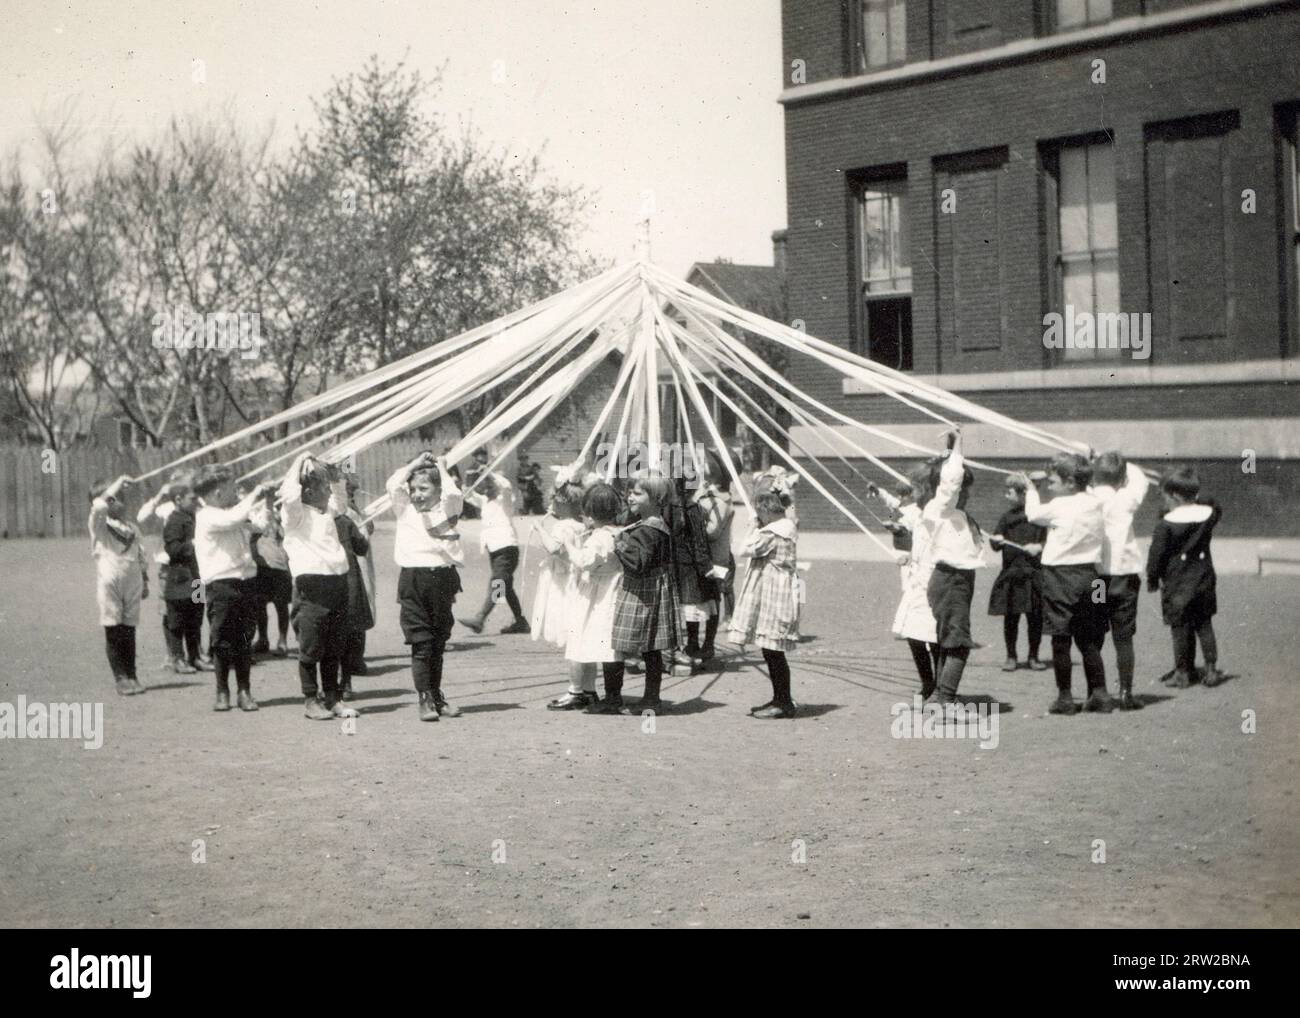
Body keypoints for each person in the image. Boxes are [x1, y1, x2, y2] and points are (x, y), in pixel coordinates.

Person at [1016, 454, 1112, 715]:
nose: (1049, 485)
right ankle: (1100, 693)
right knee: (1090, 638)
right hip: (1092, 577)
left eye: (1053, 480)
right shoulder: (1096, 503)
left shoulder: (1059, 504)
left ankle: (1065, 698)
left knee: (1061, 638)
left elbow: (1033, 514)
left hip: (1060, 578)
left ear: (1070, 482)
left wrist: (1030, 490)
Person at [279, 453, 357, 721]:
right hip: (312, 587)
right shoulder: (295, 516)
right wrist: (300, 460)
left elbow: (341, 500)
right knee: (311, 646)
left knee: (334, 645)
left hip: (337, 583)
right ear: (308, 492)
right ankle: (311, 699)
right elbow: (289, 494)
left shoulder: (327, 512)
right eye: (323, 487)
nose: (328, 492)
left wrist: (333, 475)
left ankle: (333, 698)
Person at [192, 466, 275, 712]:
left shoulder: (234, 512)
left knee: (244, 639)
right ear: (218, 493)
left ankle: (244, 690)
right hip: (221, 586)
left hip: (245, 582)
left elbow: (260, 525)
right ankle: (222, 691)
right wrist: (256, 492)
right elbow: (233, 519)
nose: (237, 492)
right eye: (232, 487)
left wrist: (267, 501)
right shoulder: (207, 515)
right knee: (221, 641)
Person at [388, 451, 464, 722]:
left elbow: (454, 494)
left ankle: (436, 694)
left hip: (442, 581)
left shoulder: (448, 512)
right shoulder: (405, 509)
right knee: (421, 643)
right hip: (414, 582)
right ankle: (424, 698)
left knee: (438, 642)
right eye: (414, 489)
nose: (417, 494)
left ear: (437, 489)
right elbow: (393, 484)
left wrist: (442, 467)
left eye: (424, 488)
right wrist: (416, 463)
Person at [604, 473, 679, 714]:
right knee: (651, 647)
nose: (629, 497)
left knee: (629, 644)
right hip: (653, 589)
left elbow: (638, 563)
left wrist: (618, 543)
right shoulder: (653, 523)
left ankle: (625, 698)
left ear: (656, 498)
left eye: (637, 493)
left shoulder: (648, 529)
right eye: (630, 492)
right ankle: (651, 698)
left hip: (643, 591)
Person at [922, 431, 985, 706]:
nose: (966, 494)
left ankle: (940, 693)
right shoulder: (940, 508)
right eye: (963, 489)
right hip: (950, 580)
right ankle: (946, 698)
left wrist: (950, 448)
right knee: (958, 642)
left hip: (957, 580)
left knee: (948, 638)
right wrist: (959, 445)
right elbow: (950, 481)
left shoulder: (952, 513)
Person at [1146, 467, 1222, 689]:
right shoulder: (1207, 516)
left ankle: (1182, 672)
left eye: (1165, 496)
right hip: (1204, 579)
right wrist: (1197, 494)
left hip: (1176, 582)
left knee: (1179, 628)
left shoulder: (1165, 524)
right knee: (1204, 625)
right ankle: (1210, 669)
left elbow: (1156, 555)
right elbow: (1216, 505)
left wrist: (1152, 579)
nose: (1164, 501)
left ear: (1175, 497)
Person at [728, 490, 800, 718]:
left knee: (773, 651)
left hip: (772, 594)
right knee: (771, 651)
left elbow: (743, 549)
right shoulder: (786, 527)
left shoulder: (771, 533)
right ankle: (779, 698)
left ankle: (783, 701)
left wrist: (752, 527)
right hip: (776, 591)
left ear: (766, 511)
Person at [872, 469, 941, 699]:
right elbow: (920, 544)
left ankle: (941, 687)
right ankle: (929, 683)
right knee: (914, 636)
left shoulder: (935, 513)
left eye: (917, 489)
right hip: (917, 579)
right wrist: (911, 556)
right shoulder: (920, 513)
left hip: (933, 582)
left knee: (932, 636)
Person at [1090, 451, 1151, 710]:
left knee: (1094, 633)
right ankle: (1126, 692)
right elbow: (1141, 478)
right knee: (1123, 637)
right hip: (1125, 577)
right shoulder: (1127, 498)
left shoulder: (1088, 498)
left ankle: (1098, 690)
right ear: (1122, 478)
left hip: (1097, 578)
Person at [561, 483, 626, 712]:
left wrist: (569, 545)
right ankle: (592, 690)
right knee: (603, 643)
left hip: (596, 595)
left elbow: (585, 561)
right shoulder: (616, 532)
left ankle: (582, 692)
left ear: (589, 513)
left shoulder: (598, 537)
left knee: (584, 639)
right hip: (610, 591)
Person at [534, 479, 596, 709]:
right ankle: (589, 689)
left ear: (561, 501)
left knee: (573, 639)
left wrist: (540, 528)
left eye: (553, 499)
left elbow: (554, 548)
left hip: (565, 585)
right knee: (582, 638)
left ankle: (575, 691)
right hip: (579, 582)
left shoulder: (561, 527)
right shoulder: (581, 524)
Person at [88, 475, 149, 696]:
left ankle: (132, 674)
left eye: (121, 498)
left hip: (132, 581)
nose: (119, 503)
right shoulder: (99, 525)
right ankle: (120, 677)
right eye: (114, 499)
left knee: (129, 628)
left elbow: (140, 553)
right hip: (110, 582)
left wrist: (145, 579)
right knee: (113, 629)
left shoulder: (131, 527)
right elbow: (99, 505)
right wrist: (115, 485)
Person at [137, 472, 196, 671]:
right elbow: (141, 517)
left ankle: (195, 653)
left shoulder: (193, 505)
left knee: (195, 607)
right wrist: (158, 496)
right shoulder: (166, 508)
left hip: (194, 567)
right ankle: (174, 655)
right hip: (170, 568)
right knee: (171, 611)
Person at [458, 470, 530, 635]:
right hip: (494, 549)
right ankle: (521, 622)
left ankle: (480, 618)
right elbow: (467, 495)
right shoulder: (485, 501)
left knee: (497, 583)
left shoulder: (505, 500)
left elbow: (506, 486)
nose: (487, 487)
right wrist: (470, 480)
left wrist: (490, 473)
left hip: (507, 548)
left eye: (490, 484)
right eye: (486, 484)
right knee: (506, 586)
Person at [988, 475, 1047, 673]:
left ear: (1024, 494)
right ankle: (1011, 656)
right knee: (1011, 618)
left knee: (1035, 618)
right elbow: (996, 544)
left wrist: (1039, 546)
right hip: (1012, 573)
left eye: (1009, 492)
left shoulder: (1039, 518)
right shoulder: (1006, 517)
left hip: (1033, 574)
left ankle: (1033, 656)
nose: (1006, 496)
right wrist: (995, 540)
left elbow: (1052, 542)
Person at [161, 480, 209, 674]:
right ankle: (178, 659)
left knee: (196, 618)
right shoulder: (173, 520)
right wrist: (193, 545)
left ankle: (195, 656)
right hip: (180, 580)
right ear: (178, 499)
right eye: (192, 498)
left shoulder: (194, 517)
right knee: (177, 620)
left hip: (197, 578)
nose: (196, 501)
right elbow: (172, 549)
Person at [694, 451, 736, 661]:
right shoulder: (708, 497)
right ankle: (699, 643)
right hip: (707, 557)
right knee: (703, 598)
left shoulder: (721, 502)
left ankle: (708, 643)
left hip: (715, 560)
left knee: (712, 599)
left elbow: (712, 532)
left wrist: (694, 521)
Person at [340, 474, 376, 676]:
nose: (352, 494)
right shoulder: (340, 510)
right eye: (349, 490)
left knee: (365, 603)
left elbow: (366, 529)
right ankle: (354, 659)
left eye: (352, 491)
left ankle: (357, 657)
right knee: (356, 605)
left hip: (363, 559)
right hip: (354, 560)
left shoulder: (353, 508)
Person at [248, 492, 292, 657]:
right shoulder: (253, 513)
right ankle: (263, 639)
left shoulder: (281, 513)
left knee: (281, 604)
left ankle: (282, 641)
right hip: (259, 566)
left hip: (278, 565)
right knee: (259, 604)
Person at [516, 451, 547, 516]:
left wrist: (538, 479)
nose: (524, 461)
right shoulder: (519, 468)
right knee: (526, 498)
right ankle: (525, 510)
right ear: (520, 460)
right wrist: (526, 478)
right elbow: (519, 476)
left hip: (531, 486)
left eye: (526, 459)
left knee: (536, 496)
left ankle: (537, 509)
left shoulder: (530, 467)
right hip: (523, 485)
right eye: (522, 459)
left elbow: (535, 475)